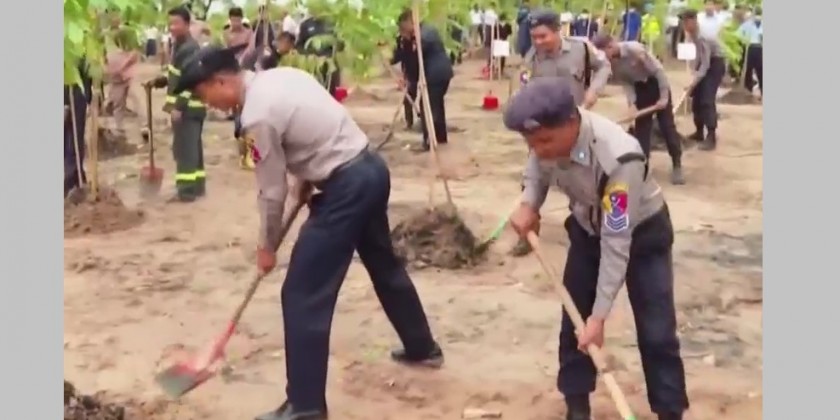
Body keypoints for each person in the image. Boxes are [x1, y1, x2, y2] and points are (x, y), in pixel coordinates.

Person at [172, 45, 444, 420]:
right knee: (383, 264)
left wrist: (266, 246)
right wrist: (308, 177)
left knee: (302, 292)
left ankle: (305, 406)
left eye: (206, 95)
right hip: (370, 169)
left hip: (346, 186)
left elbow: (270, 192)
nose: (210, 105)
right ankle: (421, 347)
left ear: (220, 81)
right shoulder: (281, 77)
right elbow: (313, 128)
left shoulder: (255, 118)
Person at [504, 77, 689, 420]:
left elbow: (617, 244)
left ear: (572, 122)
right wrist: (530, 202)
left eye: (544, 140)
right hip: (588, 230)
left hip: (642, 236)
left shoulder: (619, 160)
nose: (538, 149)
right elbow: (536, 167)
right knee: (573, 324)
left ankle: (669, 411)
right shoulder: (545, 142)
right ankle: (577, 406)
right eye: (531, 142)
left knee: (657, 331)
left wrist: (599, 317)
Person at [512, 9, 611, 257]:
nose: (538, 42)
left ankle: (586, 232)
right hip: (543, 131)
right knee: (534, 177)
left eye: (543, 36)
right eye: (534, 37)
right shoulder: (532, 57)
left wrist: (594, 91)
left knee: (577, 178)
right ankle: (529, 231)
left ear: (558, 31)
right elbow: (525, 87)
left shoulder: (583, 49)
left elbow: (604, 66)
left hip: (574, 128)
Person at [593, 35, 684, 185]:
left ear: (610, 46)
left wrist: (664, 97)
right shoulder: (611, 64)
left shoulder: (634, 50)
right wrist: (632, 104)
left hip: (656, 85)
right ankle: (643, 168)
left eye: (603, 52)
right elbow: (627, 83)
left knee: (667, 127)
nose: (602, 57)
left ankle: (677, 164)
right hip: (640, 90)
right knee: (642, 131)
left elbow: (658, 72)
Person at [150, 6, 206, 201]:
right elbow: (179, 75)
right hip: (193, 107)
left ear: (187, 24)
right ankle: (197, 187)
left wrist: (178, 106)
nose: (172, 27)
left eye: (176, 23)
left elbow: (191, 82)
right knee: (193, 148)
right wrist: (162, 81)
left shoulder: (189, 48)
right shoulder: (180, 46)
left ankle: (186, 191)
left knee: (184, 150)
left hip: (188, 107)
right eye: (170, 23)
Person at [393, 10, 454, 153]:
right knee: (436, 105)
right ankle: (440, 137)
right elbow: (405, 57)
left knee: (428, 106)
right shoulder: (418, 34)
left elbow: (417, 52)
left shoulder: (425, 33)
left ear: (410, 22)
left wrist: (410, 40)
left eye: (403, 28)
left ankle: (429, 141)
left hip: (437, 74)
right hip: (438, 74)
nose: (402, 32)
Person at [680, 9, 725, 151]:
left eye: (687, 21)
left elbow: (706, 64)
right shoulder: (688, 34)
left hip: (715, 63)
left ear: (694, 21)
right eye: (683, 22)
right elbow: (691, 58)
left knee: (706, 98)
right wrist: (691, 76)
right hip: (703, 63)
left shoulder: (703, 35)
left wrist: (695, 81)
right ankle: (699, 132)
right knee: (696, 98)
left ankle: (711, 136)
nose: (684, 25)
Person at [65, 59, 93, 197]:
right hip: (68, 93)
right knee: (68, 139)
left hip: (77, 94)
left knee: (75, 139)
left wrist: (88, 97)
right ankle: (72, 177)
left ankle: (74, 178)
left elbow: (88, 72)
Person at [296, 12, 342, 96]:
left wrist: (337, 43)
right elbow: (299, 45)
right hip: (313, 65)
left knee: (331, 92)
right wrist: (309, 54)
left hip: (329, 63)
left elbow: (341, 45)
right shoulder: (305, 25)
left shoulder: (331, 23)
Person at [737, 8, 762, 95]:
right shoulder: (748, 24)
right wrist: (744, 40)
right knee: (748, 69)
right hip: (750, 47)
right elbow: (738, 34)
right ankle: (748, 89)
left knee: (761, 69)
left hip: (761, 48)